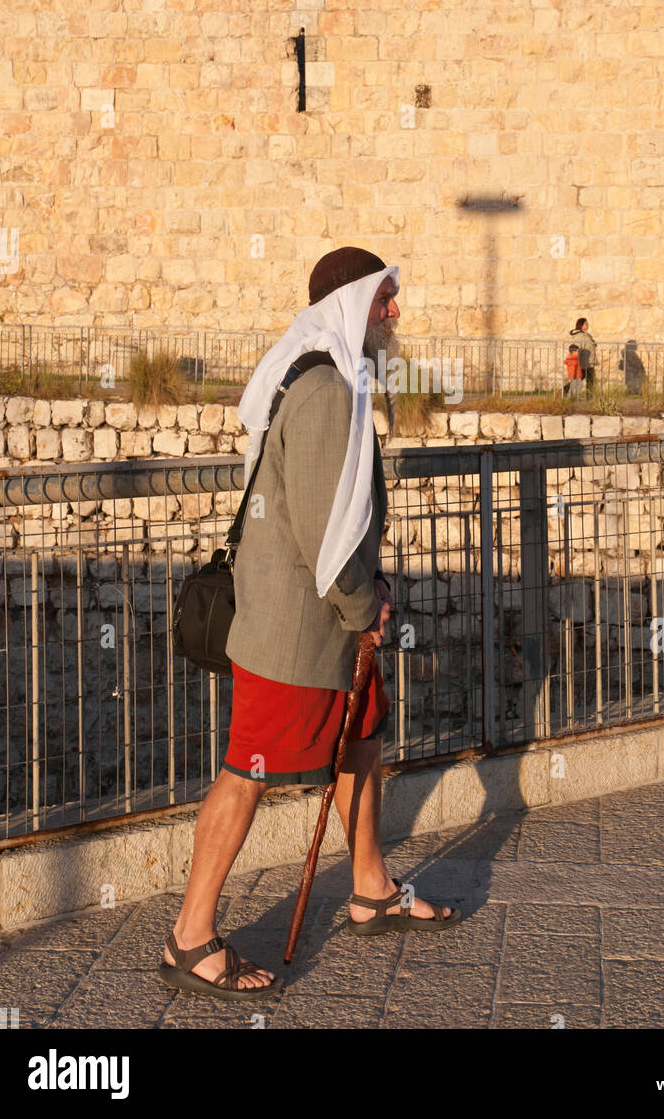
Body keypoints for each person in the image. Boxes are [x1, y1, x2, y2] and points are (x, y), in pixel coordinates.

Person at [159, 247, 461, 1002]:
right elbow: (324, 532)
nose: (395, 310)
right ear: (352, 301)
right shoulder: (326, 389)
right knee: (247, 772)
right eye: (385, 297)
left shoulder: (329, 375)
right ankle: (191, 936)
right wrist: (367, 607)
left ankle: (368, 888)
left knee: (362, 739)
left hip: (329, 625)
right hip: (300, 631)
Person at [569, 317, 597, 394]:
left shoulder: (586, 334)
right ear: (581, 325)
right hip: (584, 362)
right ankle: (566, 390)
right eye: (585, 323)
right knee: (583, 379)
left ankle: (589, 397)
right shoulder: (580, 336)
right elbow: (577, 348)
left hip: (589, 361)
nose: (587, 325)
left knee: (589, 380)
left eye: (587, 323)